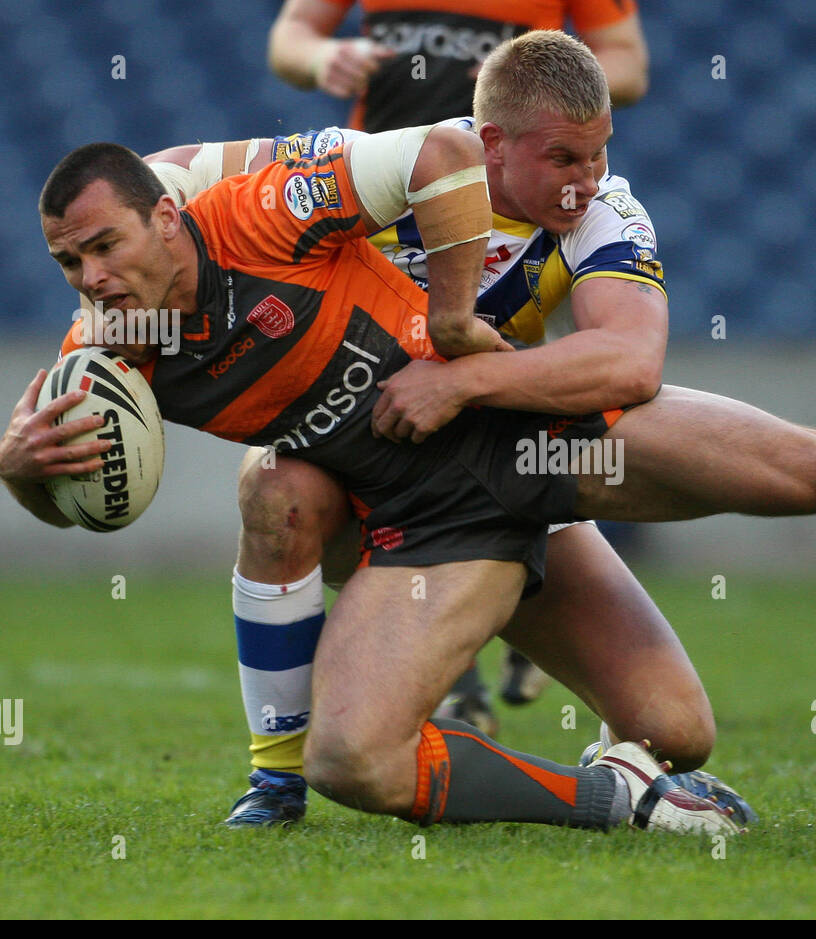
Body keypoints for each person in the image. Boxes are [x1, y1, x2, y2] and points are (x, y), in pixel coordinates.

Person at [0, 67, 816, 837]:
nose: (587, 182)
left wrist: (462, 353)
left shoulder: (558, 208)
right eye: (560, 159)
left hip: (537, 447)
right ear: (498, 141)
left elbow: (624, 368)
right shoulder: (115, 330)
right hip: (422, 523)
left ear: (160, 216)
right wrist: (23, 475)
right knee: (302, 546)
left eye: (596, 154)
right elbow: (87, 484)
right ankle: (585, 796)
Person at [269, 2, 651, 726]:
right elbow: (290, 39)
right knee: (377, 427)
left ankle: (539, 583)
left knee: (537, 387)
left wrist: (533, 79)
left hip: (524, 199)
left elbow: (626, 66)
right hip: (389, 198)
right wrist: (323, 61)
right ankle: (465, 660)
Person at [268, 0, 648, 132]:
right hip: (376, 176)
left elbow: (627, 64)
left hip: (509, 186)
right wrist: (320, 58)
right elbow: (293, 32)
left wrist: (544, 78)